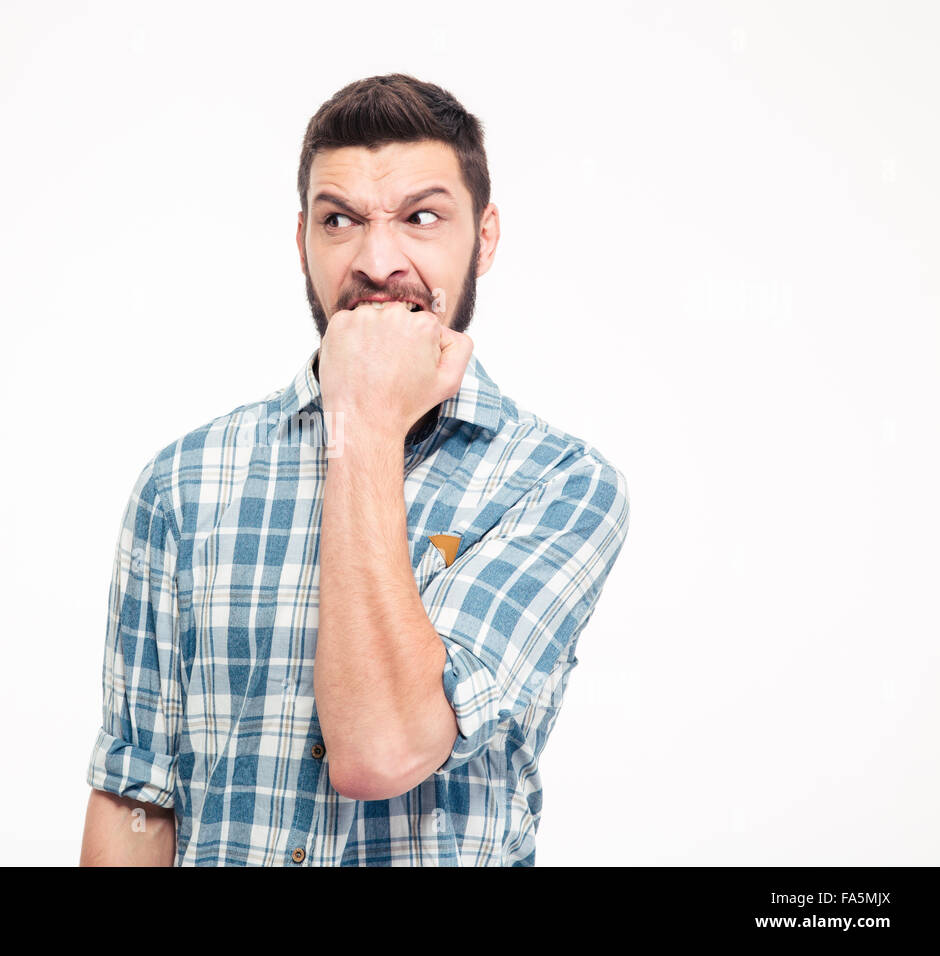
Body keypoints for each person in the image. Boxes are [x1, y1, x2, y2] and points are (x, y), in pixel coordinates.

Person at [79, 73, 631, 866]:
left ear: (485, 238)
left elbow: (385, 749)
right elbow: (136, 797)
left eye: (421, 218)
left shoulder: (559, 486)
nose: (377, 262)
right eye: (339, 220)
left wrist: (364, 419)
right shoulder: (184, 483)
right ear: (301, 240)